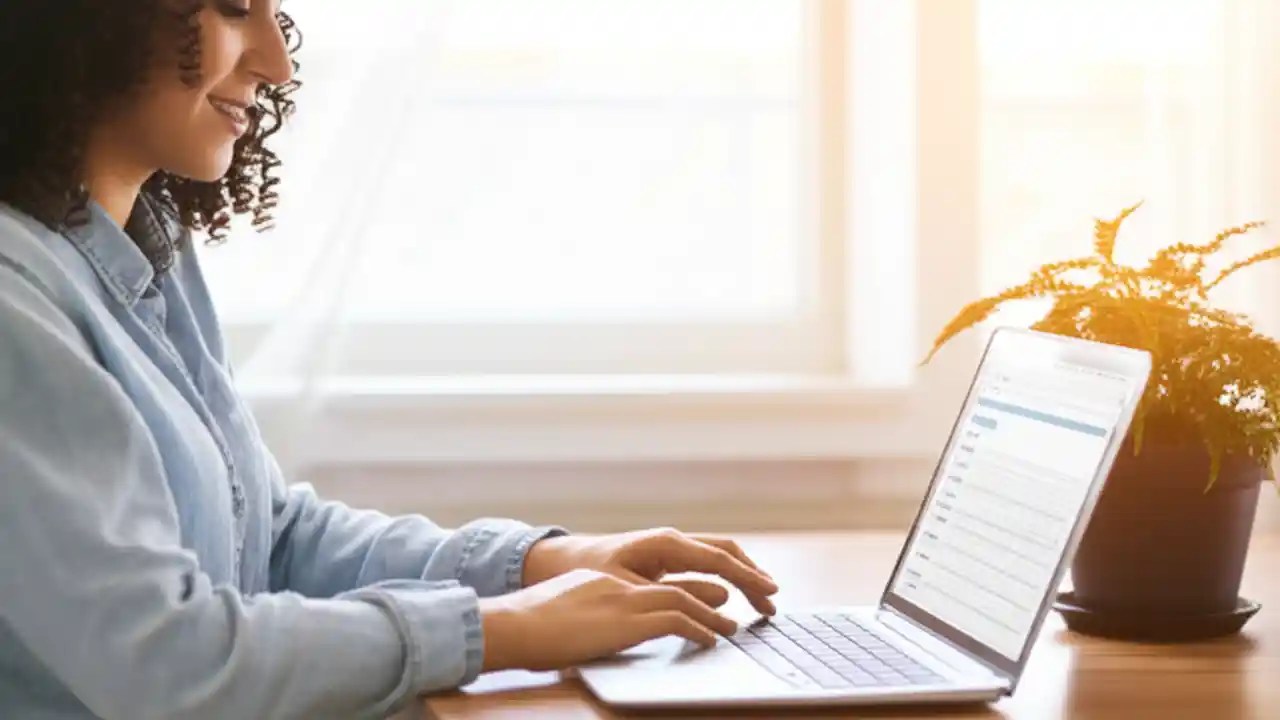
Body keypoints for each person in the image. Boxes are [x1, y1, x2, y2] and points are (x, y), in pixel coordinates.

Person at [0, 2, 779, 718]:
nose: (276, 61)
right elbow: (168, 661)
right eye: (235, 8)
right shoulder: (16, 303)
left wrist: (538, 564)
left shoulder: (145, 240)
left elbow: (268, 543)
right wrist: (499, 629)